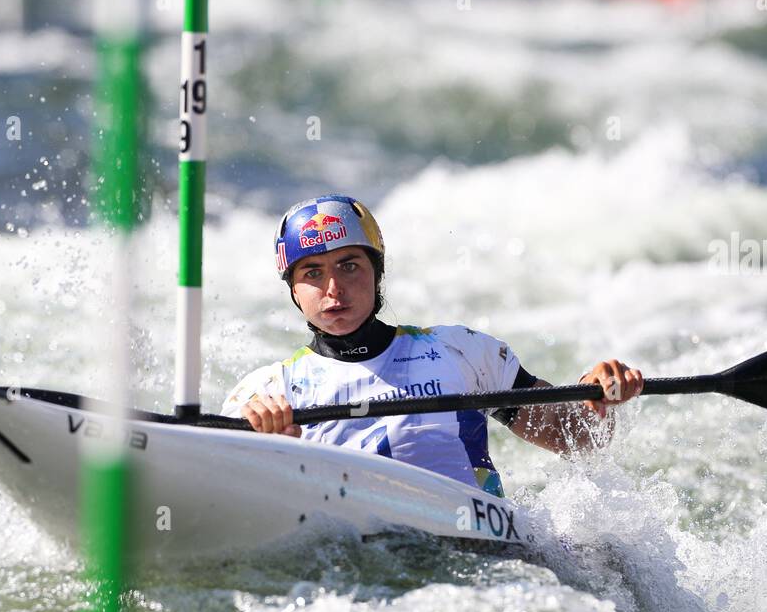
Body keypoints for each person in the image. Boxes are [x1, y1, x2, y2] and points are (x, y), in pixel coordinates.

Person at [221, 194, 644, 498]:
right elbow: (224, 494)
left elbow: (576, 439)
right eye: (312, 272)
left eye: (349, 266)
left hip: (479, 557)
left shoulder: (458, 350)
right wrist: (265, 450)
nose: (334, 289)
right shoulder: (266, 393)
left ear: (377, 273)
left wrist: (596, 398)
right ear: (294, 290)